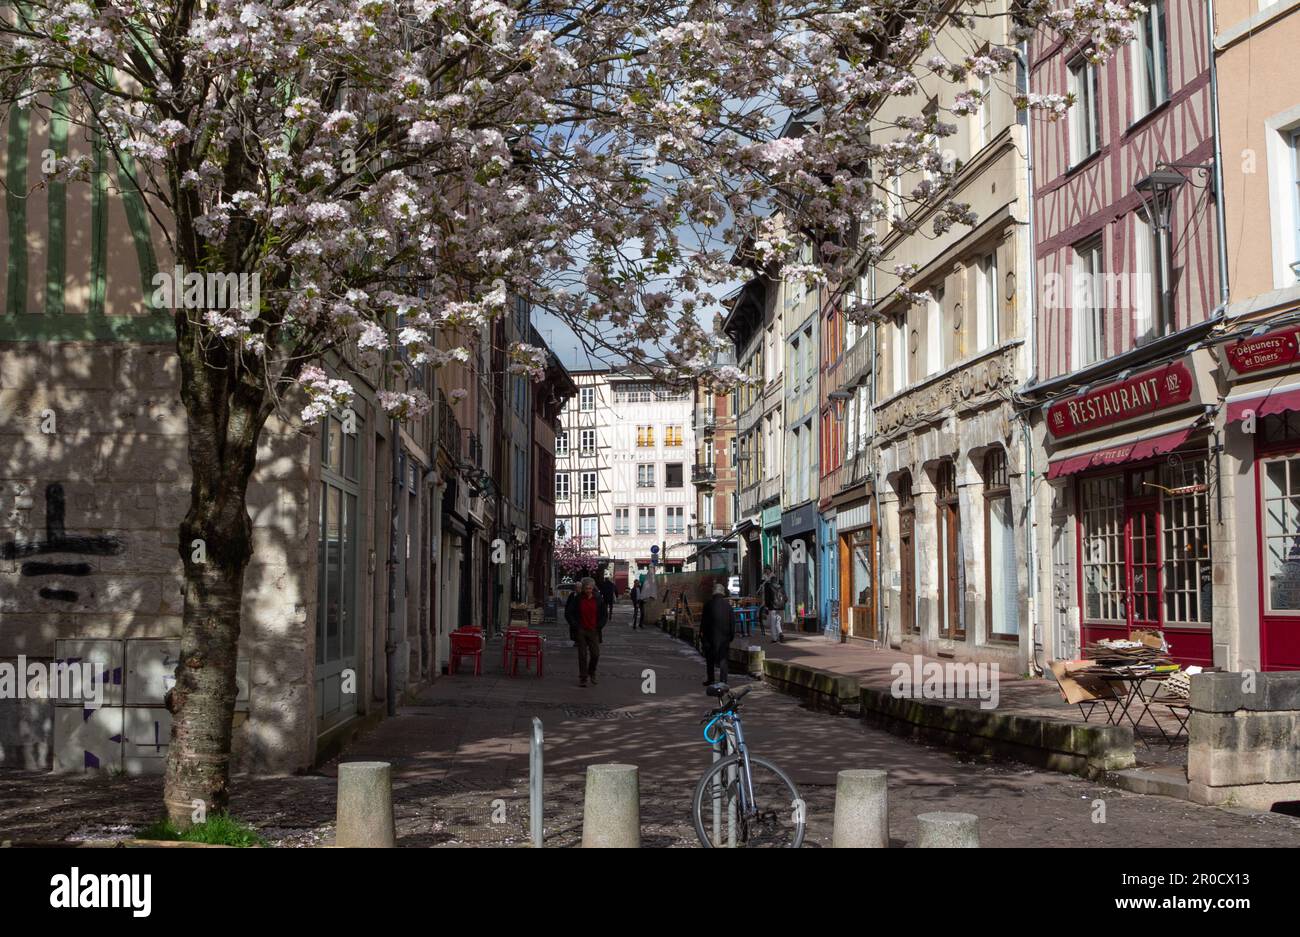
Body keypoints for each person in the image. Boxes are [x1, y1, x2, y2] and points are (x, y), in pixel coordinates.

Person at [565, 576, 607, 687]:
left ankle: (591, 671)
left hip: (594, 630)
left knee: (595, 654)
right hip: (581, 630)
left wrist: (599, 626)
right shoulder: (578, 599)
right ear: (583, 588)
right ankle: (583, 677)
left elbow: (604, 615)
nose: (588, 590)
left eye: (590, 588)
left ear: (593, 588)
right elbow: (569, 613)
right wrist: (575, 625)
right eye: (586, 588)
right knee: (582, 655)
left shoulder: (598, 599)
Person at [700, 583, 735, 686]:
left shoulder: (708, 605)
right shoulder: (728, 606)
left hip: (710, 637)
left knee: (710, 659)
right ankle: (723, 680)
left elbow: (703, 623)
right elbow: (732, 623)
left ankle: (711, 679)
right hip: (724, 637)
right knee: (723, 659)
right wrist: (731, 636)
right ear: (723, 593)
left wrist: (702, 637)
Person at [761, 566, 786, 644]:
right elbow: (786, 598)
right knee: (778, 622)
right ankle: (780, 633)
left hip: (773, 608)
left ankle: (774, 638)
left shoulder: (769, 587)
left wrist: (767, 606)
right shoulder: (781, 588)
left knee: (772, 623)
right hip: (781, 607)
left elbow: (767, 598)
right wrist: (782, 604)